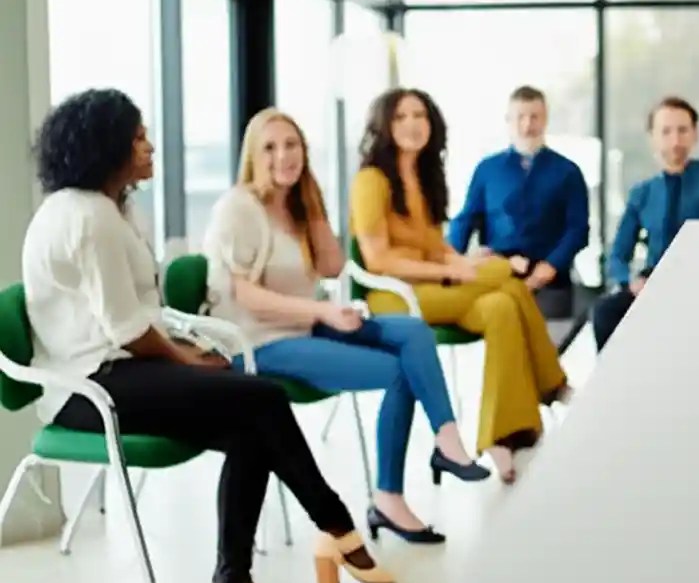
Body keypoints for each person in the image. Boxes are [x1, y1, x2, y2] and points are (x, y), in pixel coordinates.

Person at [21, 89, 393, 583]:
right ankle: (335, 523)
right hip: (89, 388)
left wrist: (181, 347)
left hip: (119, 371)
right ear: (107, 148)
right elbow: (127, 329)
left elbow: (137, 315)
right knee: (261, 398)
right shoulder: (88, 218)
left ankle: (233, 582)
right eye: (138, 138)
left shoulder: (110, 209)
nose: (150, 147)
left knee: (252, 428)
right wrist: (185, 358)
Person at [202, 108, 490, 546]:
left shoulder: (296, 203)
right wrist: (321, 313)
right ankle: (389, 499)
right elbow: (246, 297)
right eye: (271, 147)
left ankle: (447, 440)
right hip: (258, 342)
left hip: (306, 325)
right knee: (397, 372)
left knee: (413, 332)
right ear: (252, 156)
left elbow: (333, 266)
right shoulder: (238, 207)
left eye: (292, 145)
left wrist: (311, 205)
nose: (284, 156)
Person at [348, 87, 572, 485]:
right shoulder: (371, 179)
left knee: (503, 303)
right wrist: (457, 273)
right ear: (384, 125)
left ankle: (502, 437)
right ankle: (553, 382)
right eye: (400, 117)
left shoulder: (421, 178)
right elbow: (378, 260)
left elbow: (437, 249)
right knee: (506, 276)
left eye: (420, 116)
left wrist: (465, 263)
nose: (412, 124)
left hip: (438, 291)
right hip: (393, 295)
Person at [592, 96, 699, 350]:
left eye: (682, 130)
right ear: (652, 138)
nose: (675, 141)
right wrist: (630, 282)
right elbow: (618, 255)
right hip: (654, 283)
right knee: (605, 313)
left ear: (695, 134)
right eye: (666, 132)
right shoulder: (642, 192)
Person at [448, 85, 589, 318]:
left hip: (551, 280)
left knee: (547, 348)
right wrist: (450, 262)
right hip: (499, 274)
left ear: (545, 120)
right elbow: (466, 219)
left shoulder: (568, 172)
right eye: (520, 117)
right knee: (502, 333)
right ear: (507, 121)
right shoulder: (486, 170)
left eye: (534, 117)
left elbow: (578, 229)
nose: (527, 125)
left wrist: (550, 266)